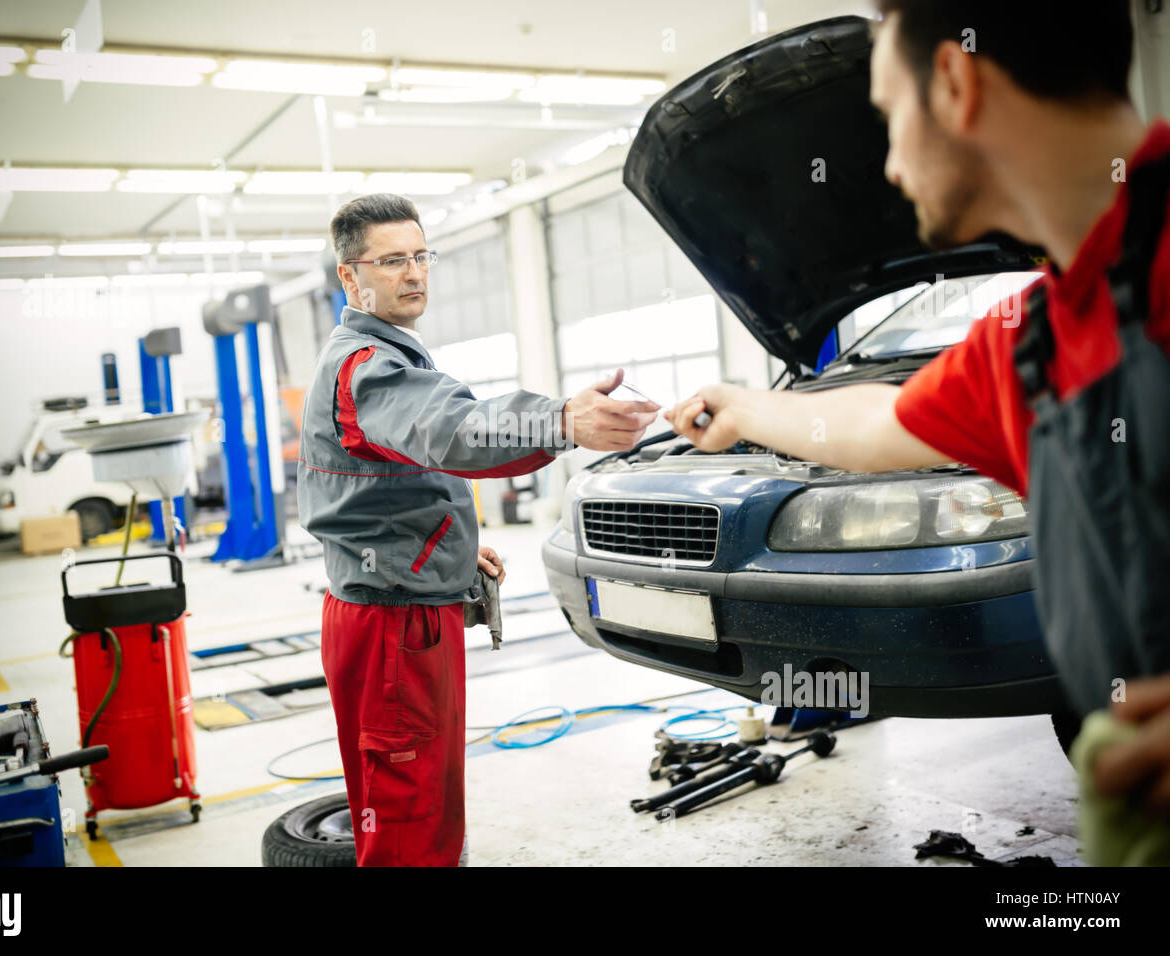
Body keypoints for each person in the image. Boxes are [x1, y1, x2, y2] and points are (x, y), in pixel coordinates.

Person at [665, 1, 1170, 820]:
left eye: (890, 119)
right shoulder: (1032, 337)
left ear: (956, 82)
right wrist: (742, 409)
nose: (892, 166)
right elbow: (875, 427)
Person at [298, 192, 658, 865]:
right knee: (409, 820)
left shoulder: (386, 351)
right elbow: (451, 430)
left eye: (420, 255)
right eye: (392, 261)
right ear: (350, 276)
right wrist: (559, 422)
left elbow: (390, 486)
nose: (414, 274)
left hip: (397, 611)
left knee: (423, 801)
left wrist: (452, 552)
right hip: (391, 631)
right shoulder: (367, 366)